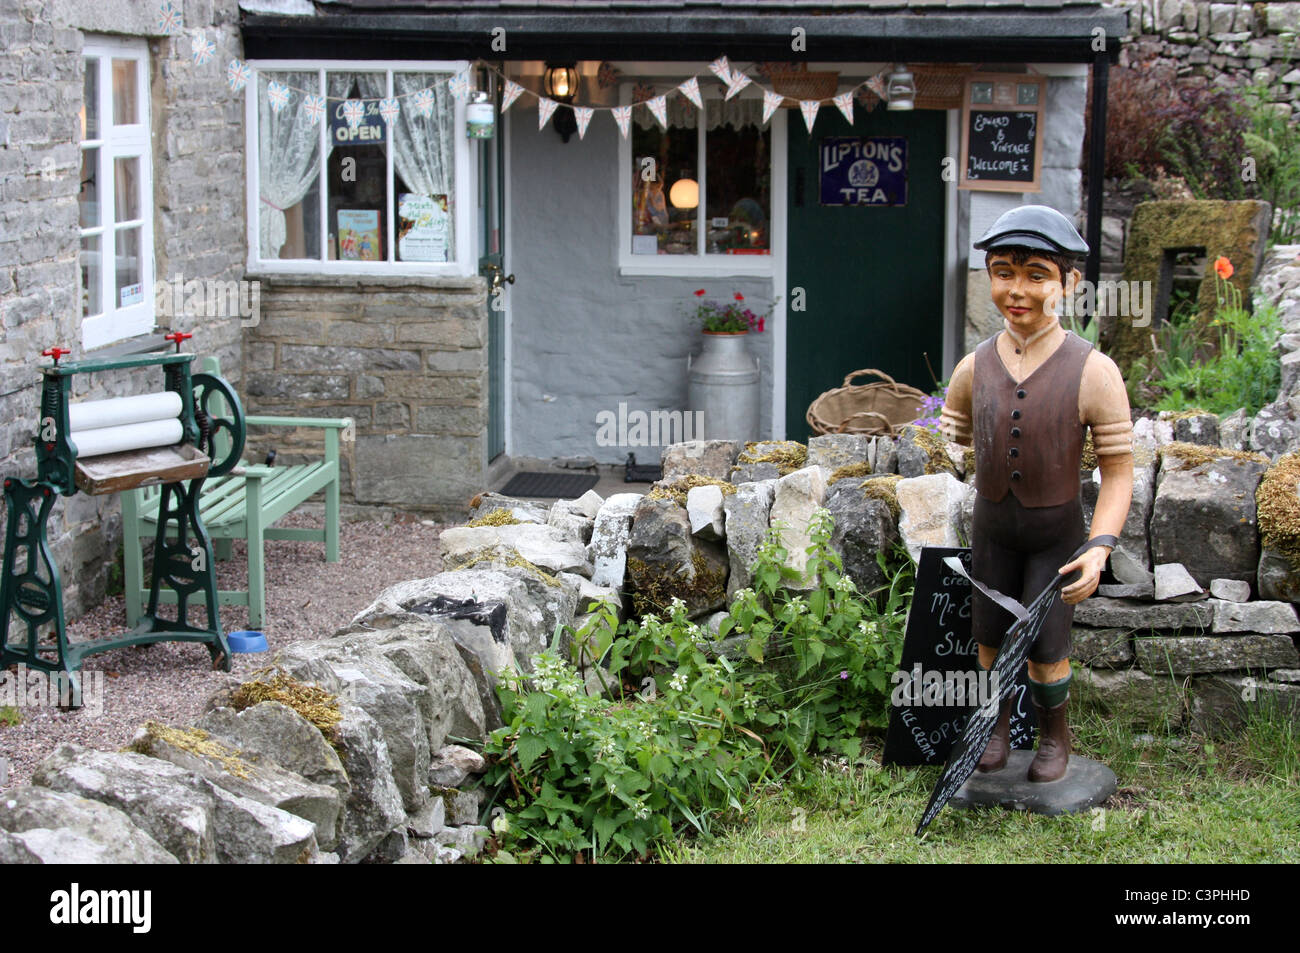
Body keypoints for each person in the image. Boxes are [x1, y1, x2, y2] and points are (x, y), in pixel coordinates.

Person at [940, 205, 1134, 783]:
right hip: (993, 529)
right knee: (988, 640)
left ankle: (1056, 737)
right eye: (1003, 272)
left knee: (1048, 651)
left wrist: (1099, 547)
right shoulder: (972, 369)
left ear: (1070, 284)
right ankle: (994, 728)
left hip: (1057, 541)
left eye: (1036, 275)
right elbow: (949, 448)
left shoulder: (1094, 371)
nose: (1016, 290)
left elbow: (1119, 472)